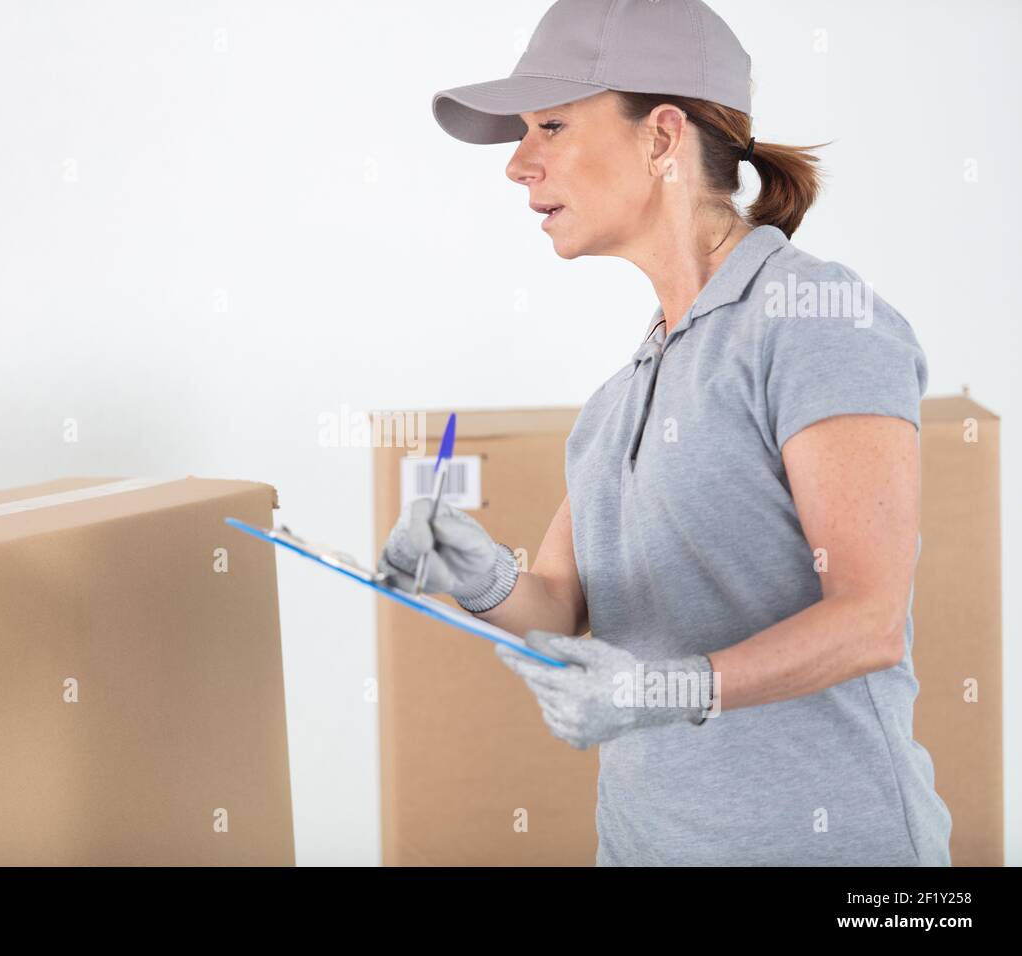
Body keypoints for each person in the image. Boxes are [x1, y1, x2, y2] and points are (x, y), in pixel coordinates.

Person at [377, 0, 952, 866]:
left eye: (552, 125)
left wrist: (675, 686)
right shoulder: (622, 394)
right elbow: (561, 607)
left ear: (661, 136)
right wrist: (479, 573)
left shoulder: (815, 320)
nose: (519, 165)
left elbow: (870, 618)